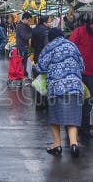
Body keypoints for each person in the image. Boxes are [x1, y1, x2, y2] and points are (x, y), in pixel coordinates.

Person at [35, 27, 84, 158]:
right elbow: (82, 66)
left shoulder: (49, 47)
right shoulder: (72, 45)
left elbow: (40, 67)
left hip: (57, 88)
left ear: (50, 37)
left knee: (55, 117)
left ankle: (56, 146)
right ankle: (74, 144)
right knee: (72, 117)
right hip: (75, 87)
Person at [15, 12, 34, 80]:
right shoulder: (21, 26)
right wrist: (33, 34)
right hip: (22, 47)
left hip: (24, 47)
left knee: (24, 62)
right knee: (22, 63)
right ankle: (21, 77)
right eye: (28, 20)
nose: (29, 22)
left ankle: (23, 76)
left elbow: (31, 30)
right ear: (25, 19)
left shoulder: (25, 25)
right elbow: (25, 36)